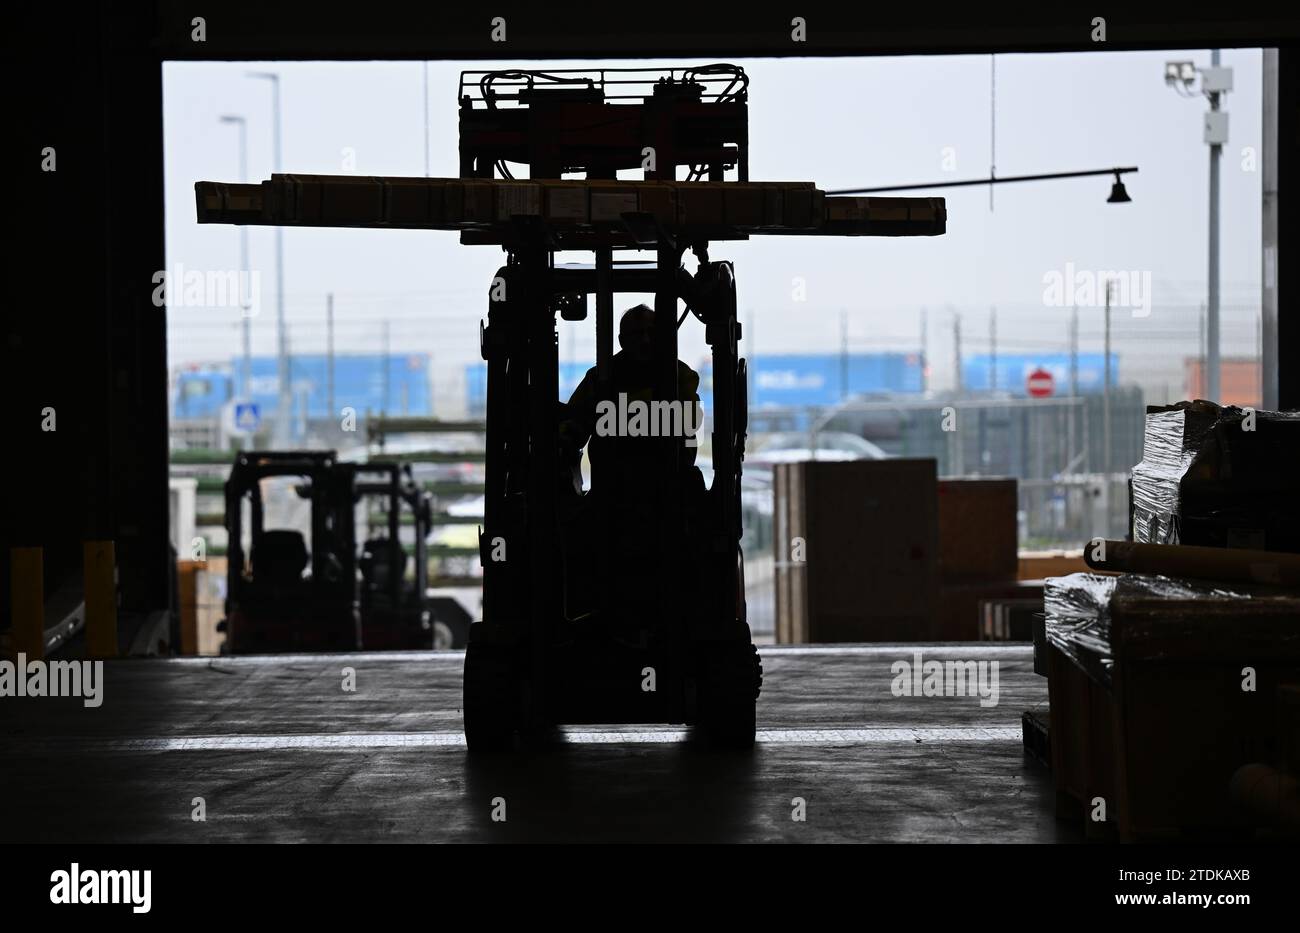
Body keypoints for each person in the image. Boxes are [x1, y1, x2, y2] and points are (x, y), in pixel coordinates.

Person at [559, 303, 702, 491]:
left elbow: (687, 422)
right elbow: (570, 429)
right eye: (636, 334)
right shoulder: (599, 377)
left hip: (667, 485)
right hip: (614, 487)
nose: (645, 340)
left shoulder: (680, 375)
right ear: (622, 340)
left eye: (651, 332)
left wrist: (606, 414)